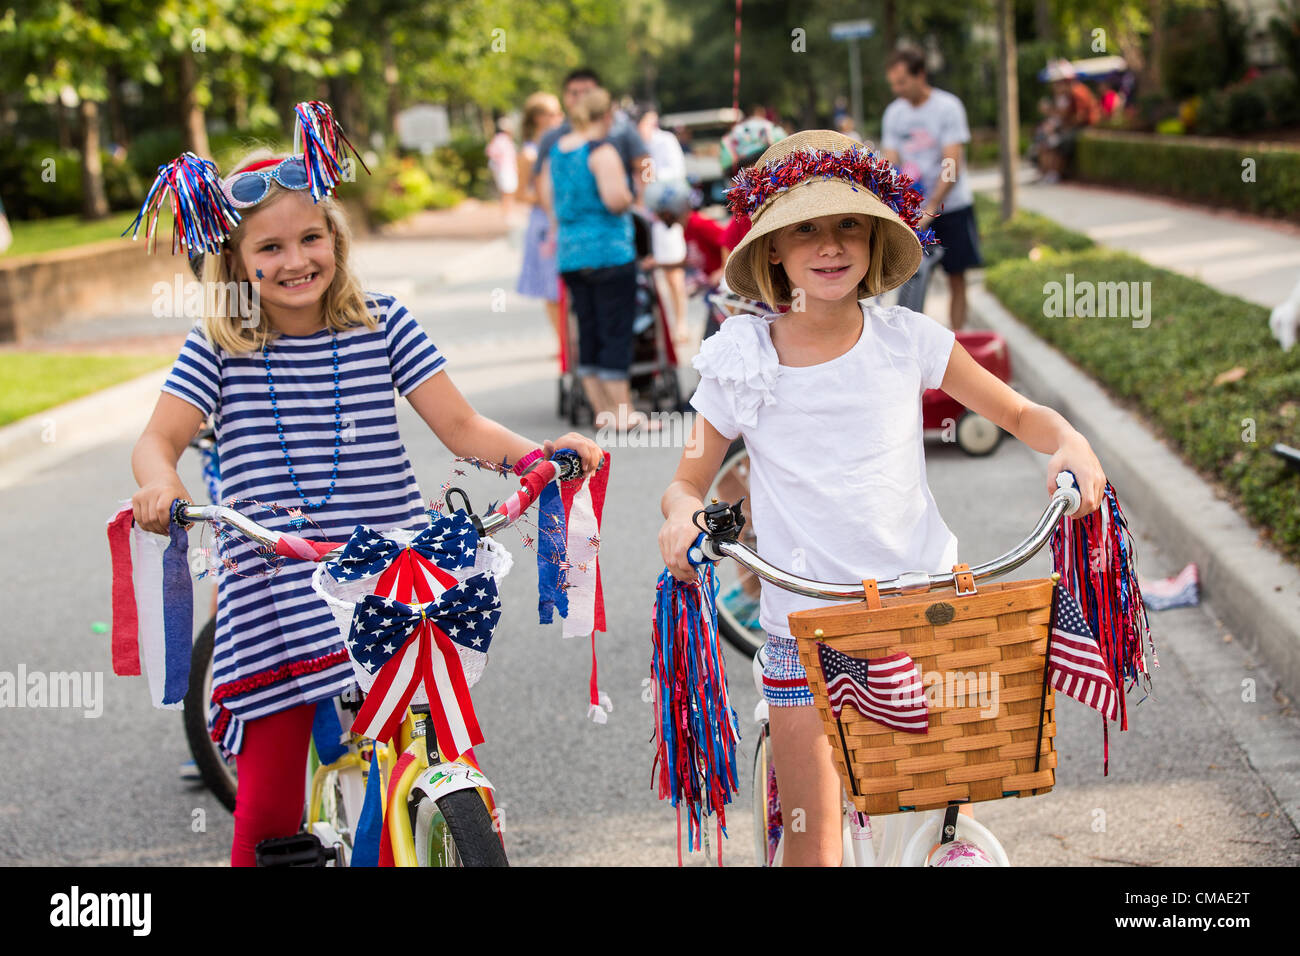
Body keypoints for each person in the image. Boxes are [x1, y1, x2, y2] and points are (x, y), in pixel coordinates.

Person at [128, 140, 603, 867]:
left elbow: (462, 427)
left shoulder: (382, 321)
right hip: (276, 576)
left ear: (336, 238)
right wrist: (160, 483)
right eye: (270, 246)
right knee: (268, 795)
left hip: (387, 571)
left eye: (311, 237)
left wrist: (538, 457)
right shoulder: (218, 348)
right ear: (234, 259)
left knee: (440, 738)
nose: (296, 261)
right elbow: (157, 441)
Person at [657, 129, 1108, 866]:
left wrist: (1068, 442)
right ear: (772, 249)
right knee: (817, 845)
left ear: (873, 239)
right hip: (807, 631)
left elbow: (1022, 415)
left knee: (943, 818)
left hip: (924, 609)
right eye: (805, 229)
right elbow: (686, 483)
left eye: (848, 226)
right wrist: (681, 516)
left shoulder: (911, 340)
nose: (829, 245)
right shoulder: (743, 358)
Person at [541, 87, 657, 433]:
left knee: (588, 331)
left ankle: (601, 412)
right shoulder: (601, 151)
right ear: (606, 116)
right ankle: (624, 414)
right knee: (616, 330)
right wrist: (629, 196)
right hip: (608, 251)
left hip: (571, 255)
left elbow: (549, 201)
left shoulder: (556, 154)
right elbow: (614, 200)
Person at [883, 45, 982, 331]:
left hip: (951, 207)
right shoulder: (894, 114)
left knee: (956, 277)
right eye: (893, 84)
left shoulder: (948, 107)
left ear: (920, 75)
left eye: (902, 82)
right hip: (913, 212)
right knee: (909, 280)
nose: (897, 89)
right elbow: (891, 162)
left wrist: (931, 207)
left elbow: (951, 166)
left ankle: (958, 341)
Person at [515, 91, 566, 348]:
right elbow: (520, 194)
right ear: (538, 118)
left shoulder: (563, 144)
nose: (559, 117)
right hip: (545, 223)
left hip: (564, 219)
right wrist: (548, 195)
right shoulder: (528, 153)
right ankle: (563, 344)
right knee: (551, 288)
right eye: (552, 113)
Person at [637, 104, 691, 341]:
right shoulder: (633, 144)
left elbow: (675, 173)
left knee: (672, 272)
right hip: (643, 215)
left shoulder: (664, 141)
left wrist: (651, 179)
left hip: (665, 212)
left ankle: (680, 323)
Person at [1037, 60, 1100, 183]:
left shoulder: (1078, 93)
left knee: (1060, 142)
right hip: (1074, 126)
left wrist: (1062, 124)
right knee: (1049, 141)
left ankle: (1055, 173)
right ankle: (1048, 172)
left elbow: (1079, 118)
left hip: (1084, 127)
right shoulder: (1069, 95)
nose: (1056, 86)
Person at [486, 117, 519, 220]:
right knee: (506, 191)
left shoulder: (506, 139)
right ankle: (506, 212)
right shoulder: (500, 139)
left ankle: (508, 211)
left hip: (508, 168)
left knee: (510, 191)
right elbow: (491, 152)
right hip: (504, 168)